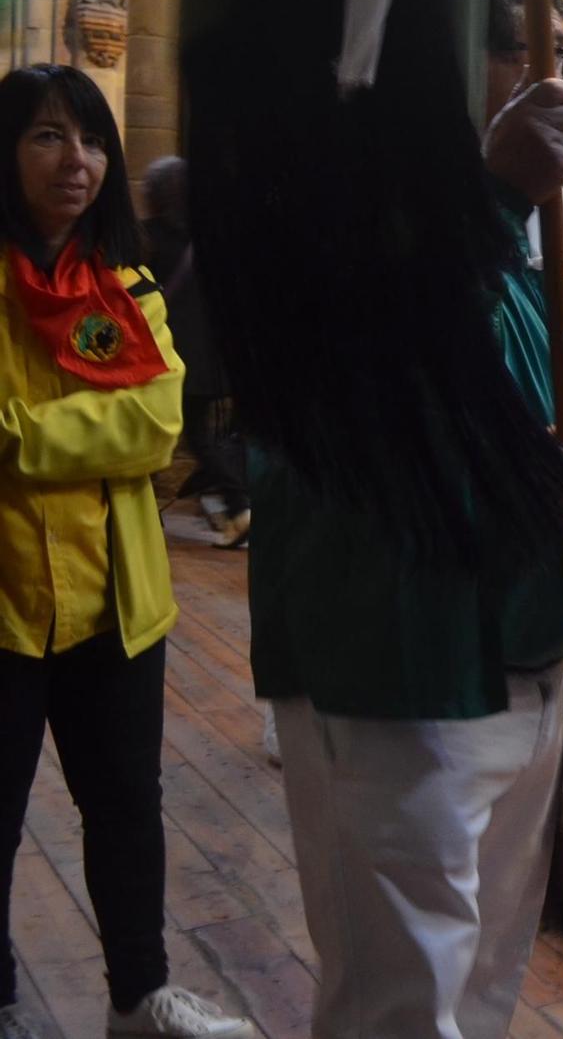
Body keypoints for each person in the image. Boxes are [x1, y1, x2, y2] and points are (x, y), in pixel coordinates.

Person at [248, 0, 563, 1038]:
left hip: (535, 638)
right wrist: (491, 196)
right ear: (447, 64)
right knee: (400, 997)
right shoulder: (347, 199)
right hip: (398, 653)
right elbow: (359, 374)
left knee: (490, 973)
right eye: (527, 46)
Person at [0, 64, 251, 1039]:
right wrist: (82, 431)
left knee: (126, 810)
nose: (78, 160)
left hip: (115, 598)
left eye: (93, 140)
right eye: (48, 137)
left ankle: (138, 995)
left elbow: (152, 425)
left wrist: (20, 439)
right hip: (10, 600)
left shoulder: (127, 284)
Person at [140, 156, 250, 549]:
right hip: (206, 359)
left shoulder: (147, 236)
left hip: (163, 353)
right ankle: (236, 507)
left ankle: (236, 506)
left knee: (159, 431)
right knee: (192, 434)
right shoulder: (206, 238)